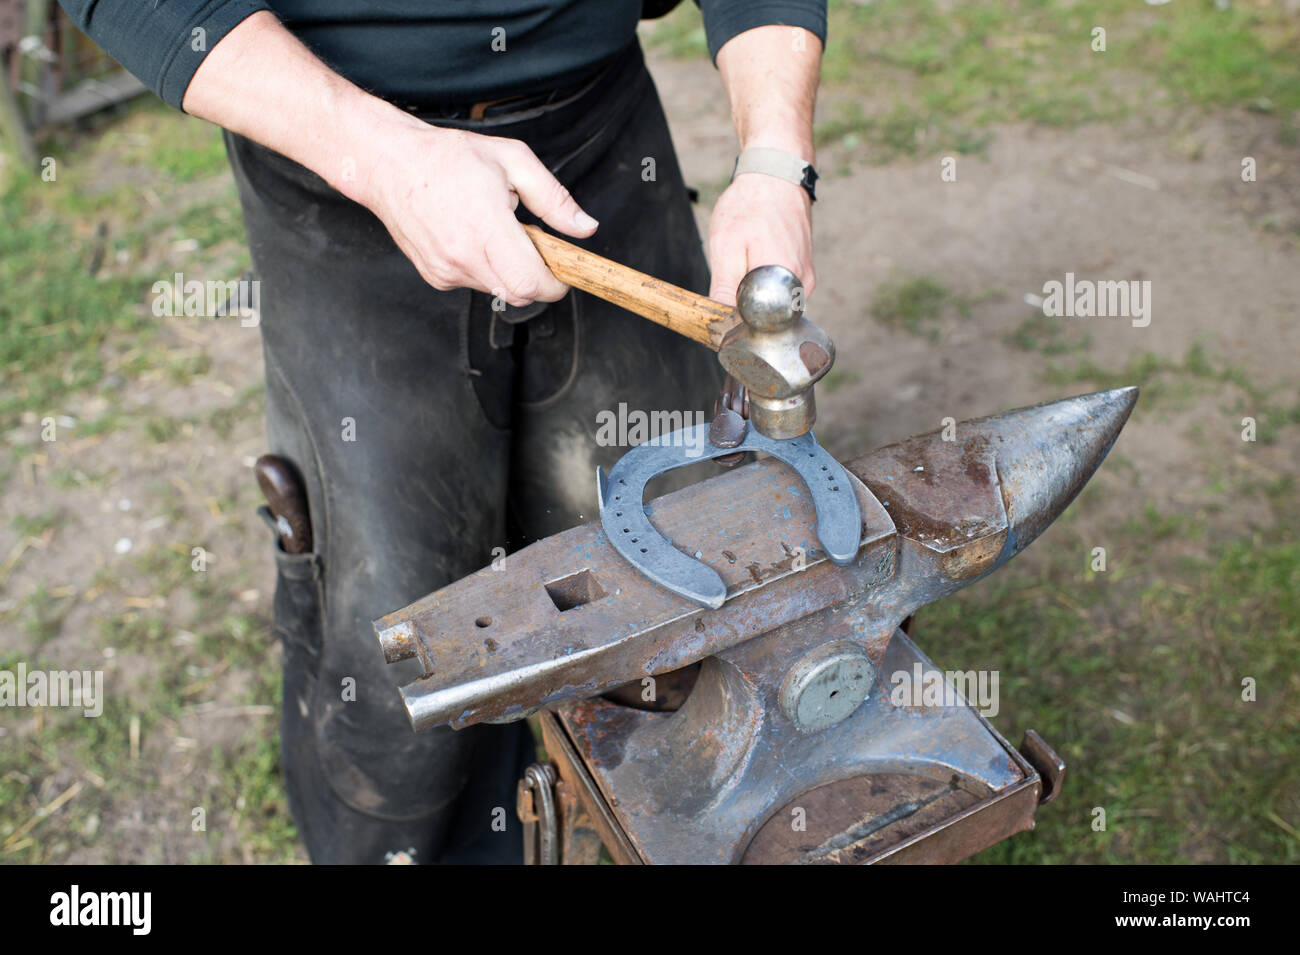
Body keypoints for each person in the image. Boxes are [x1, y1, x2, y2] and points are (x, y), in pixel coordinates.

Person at [61, 0, 826, 864]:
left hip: (598, 131)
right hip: (337, 156)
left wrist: (773, 164)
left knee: (681, 610)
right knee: (401, 676)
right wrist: (387, 160)